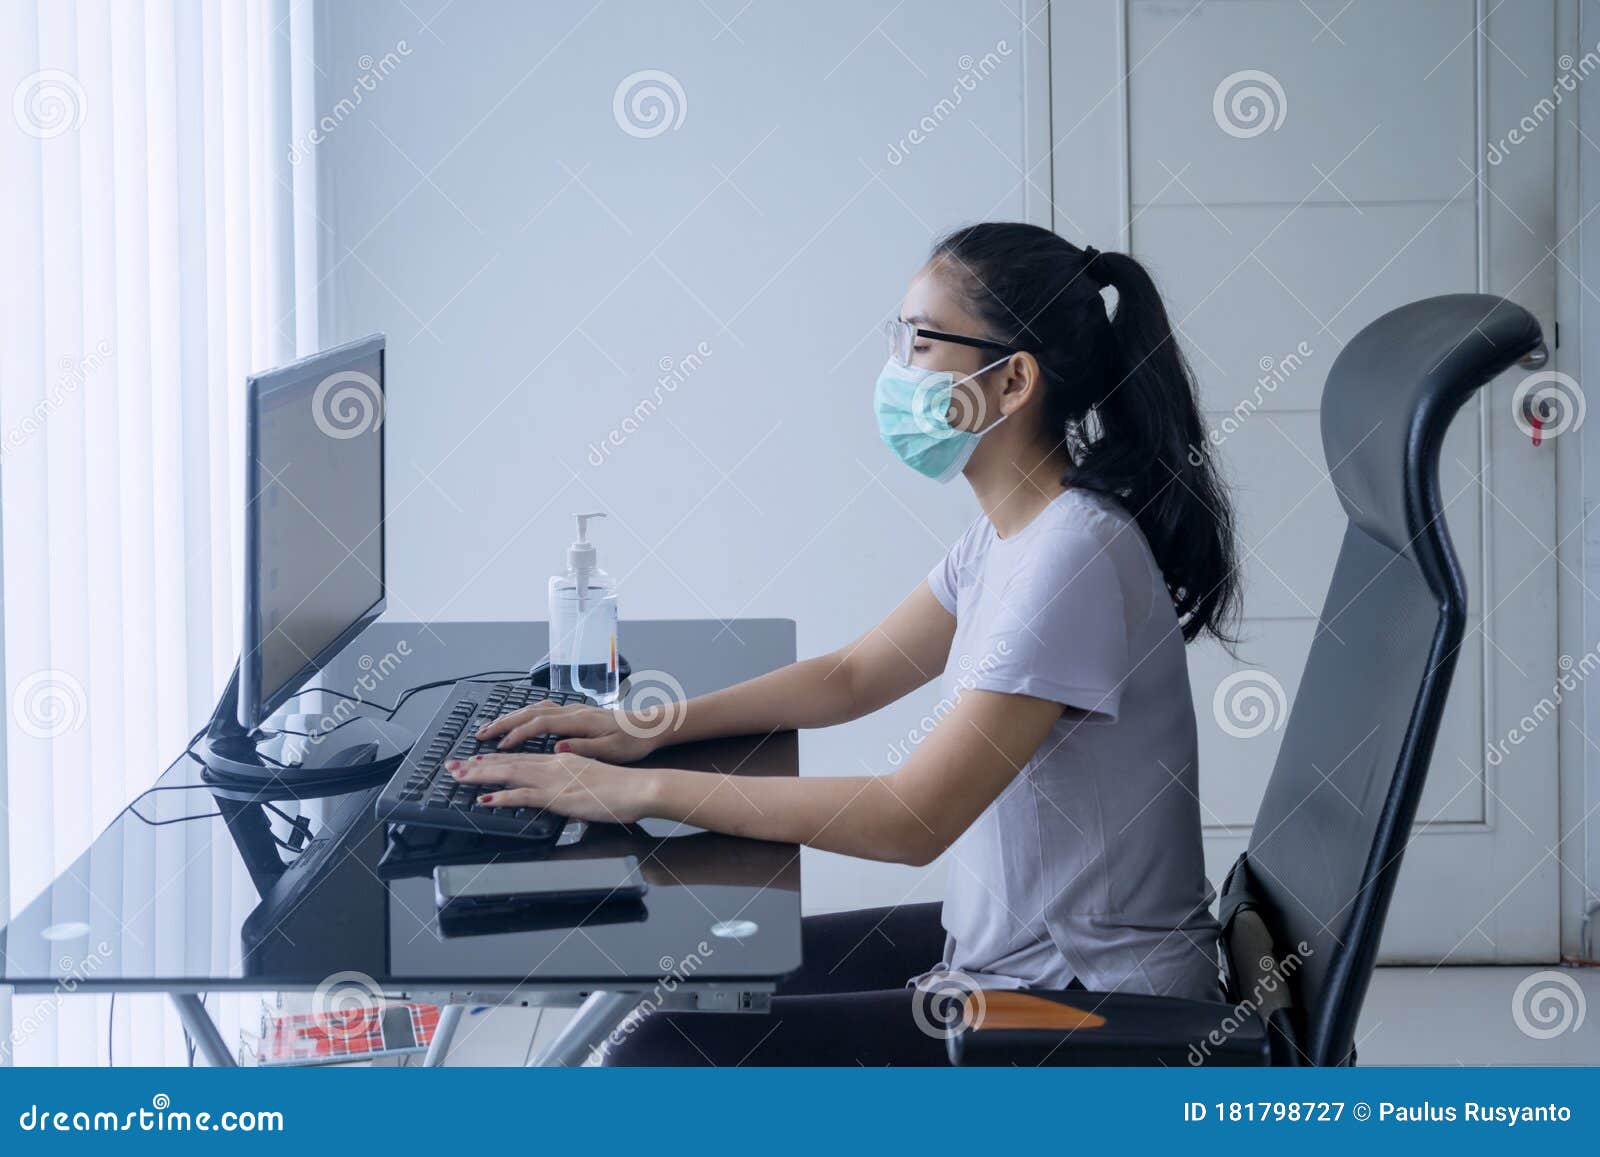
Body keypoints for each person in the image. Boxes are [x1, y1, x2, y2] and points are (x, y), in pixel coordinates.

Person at [450, 221, 1240, 1064]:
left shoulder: (1072, 555)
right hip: (1013, 966)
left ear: (1012, 381)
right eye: (899, 338)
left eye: (924, 342)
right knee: (700, 984)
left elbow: (912, 819)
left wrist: (636, 791)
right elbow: (854, 675)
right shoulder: (1017, 533)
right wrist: (648, 726)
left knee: (662, 1057)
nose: (898, 370)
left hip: (1095, 1011)